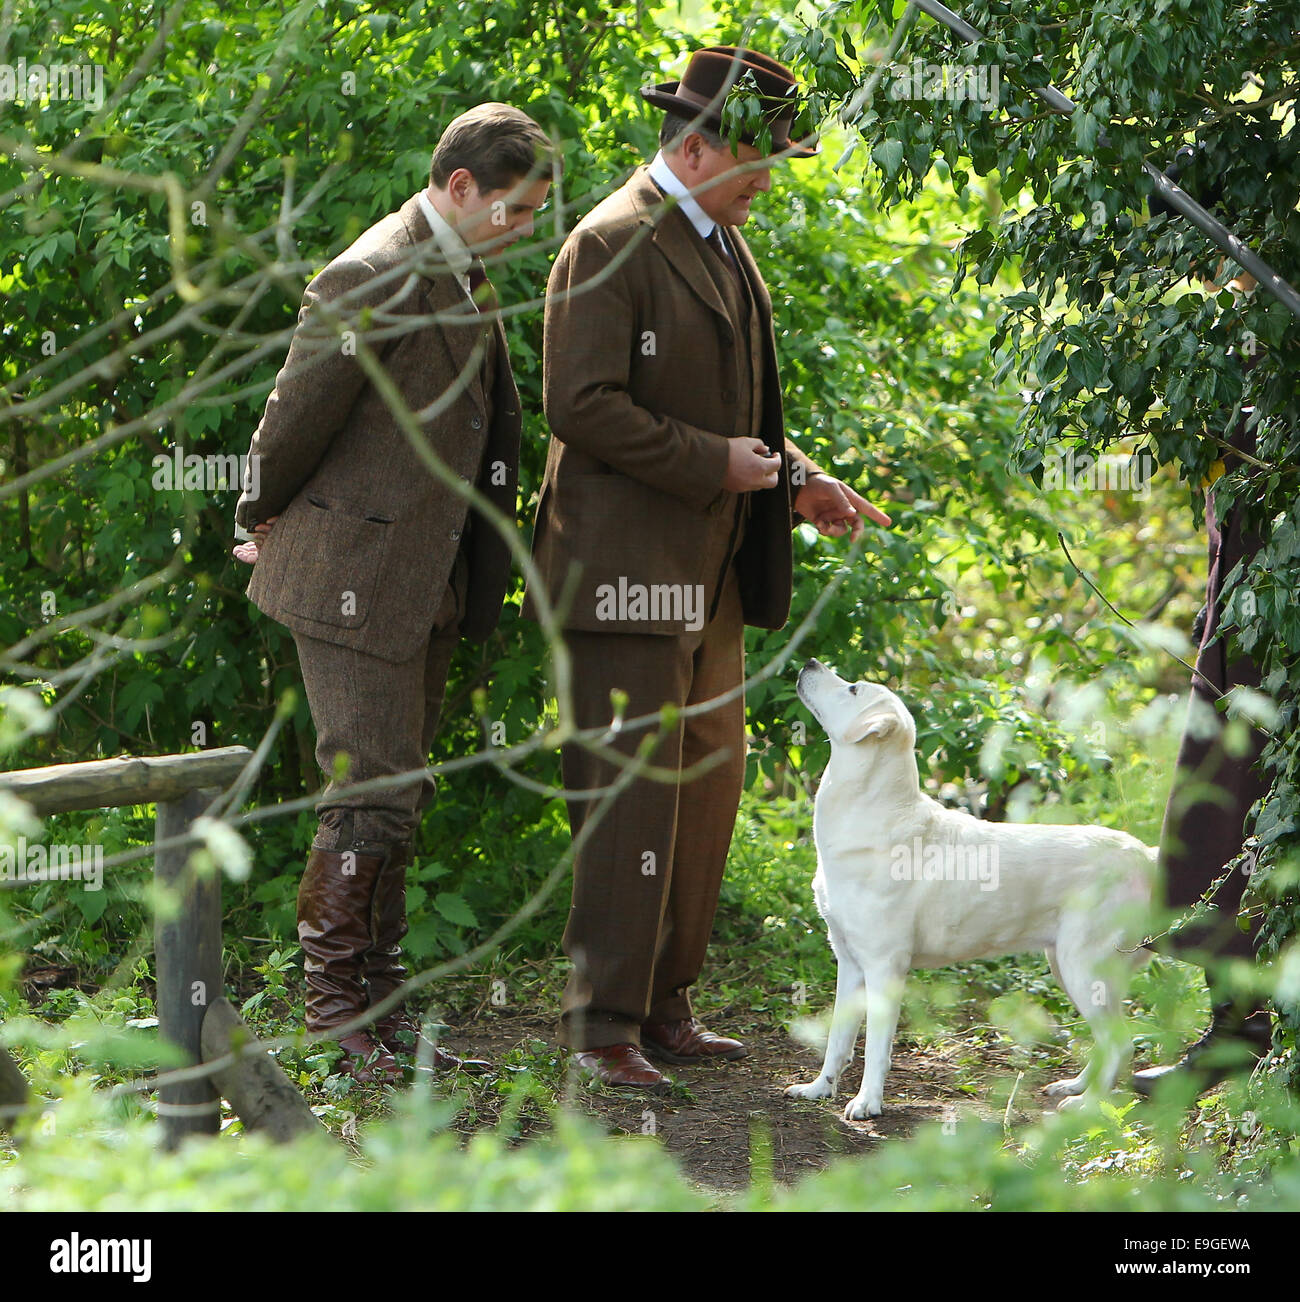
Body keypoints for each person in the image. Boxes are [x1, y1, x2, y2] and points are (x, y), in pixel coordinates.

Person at [524, 45, 891, 1091]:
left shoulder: (723, 241)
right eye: (760, 155)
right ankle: (602, 1030)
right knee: (627, 798)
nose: (772, 175)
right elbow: (578, 406)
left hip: (712, 576)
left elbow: (740, 415)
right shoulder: (608, 242)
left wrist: (794, 477)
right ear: (694, 146)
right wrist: (714, 466)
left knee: (702, 794)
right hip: (622, 577)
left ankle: (664, 1004)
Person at [232, 104, 555, 1083]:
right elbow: (296, 410)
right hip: (352, 580)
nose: (530, 227)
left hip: (425, 582)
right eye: (521, 208)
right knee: (368, 794)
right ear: (462, 188)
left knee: (397, 797)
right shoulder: (375, 270)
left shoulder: (462, 267)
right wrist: (255, 513)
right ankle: (337, 1025)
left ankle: (383, 1009)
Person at [1134, 147, 1273, 1095]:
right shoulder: (1245, 344)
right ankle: (1235, 1030)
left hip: (1274, 633)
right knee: (1218, 816)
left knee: (1252, 806)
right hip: (1239, 625)